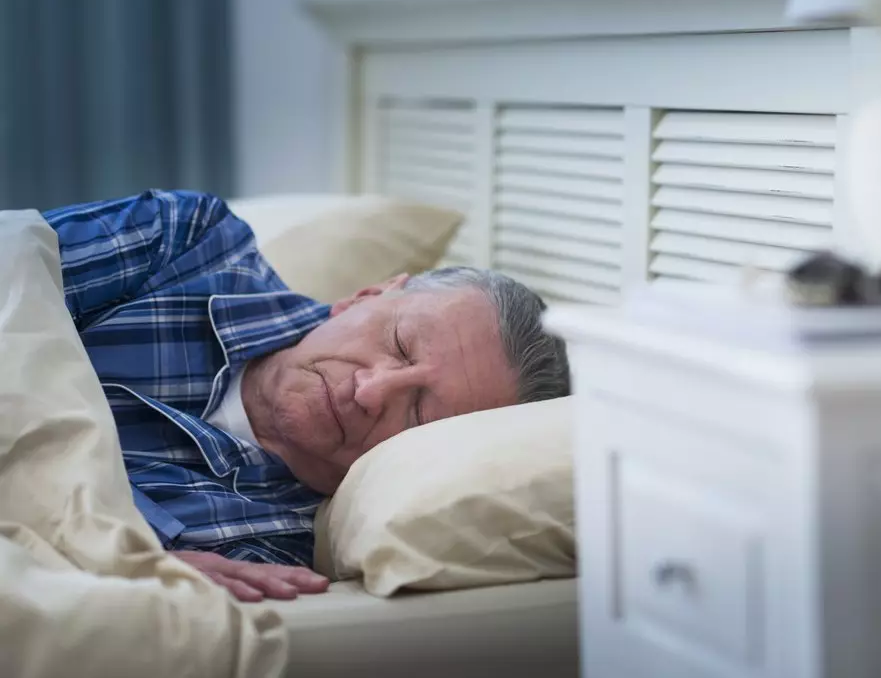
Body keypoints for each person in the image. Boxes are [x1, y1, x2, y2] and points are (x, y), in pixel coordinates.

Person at [43, 190, 571, 602]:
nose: (370, 390)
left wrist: (116, 554)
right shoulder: (189, 244)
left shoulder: (267, 547)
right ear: (366, 296)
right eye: (399, 345)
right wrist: (103, 533)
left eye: (418, 416)